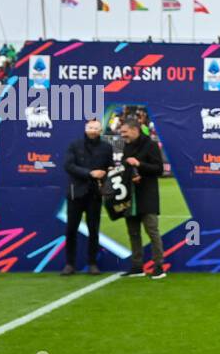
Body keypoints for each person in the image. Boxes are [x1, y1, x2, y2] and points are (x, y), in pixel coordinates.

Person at [61, 117, 113, 275]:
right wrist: (90, 173)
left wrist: (107, 173)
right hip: (75, 193)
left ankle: (92, 263)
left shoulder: (107, 147)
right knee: (71, 229)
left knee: (93, 230)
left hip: (95, 194)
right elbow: (68, 165)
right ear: (85, 129)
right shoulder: (74, 145)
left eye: (96, 128)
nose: (93, 131)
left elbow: (109, 166)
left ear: (100, 130)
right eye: (90, 128)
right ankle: (69, 264)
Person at [118, 114, 167, 279]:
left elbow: (159, 169)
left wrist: (139, 165)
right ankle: (137, 266)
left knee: (152, 231)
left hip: (147, 196)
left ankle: (159, 266)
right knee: (133, 232)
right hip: (130, 197)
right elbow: (126, 166)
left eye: (124, 132)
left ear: (134, 130)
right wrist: (130, 174)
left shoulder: (151, 145)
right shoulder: (127, 145)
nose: (122, 135)